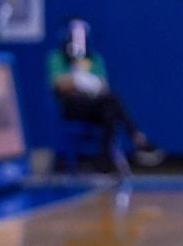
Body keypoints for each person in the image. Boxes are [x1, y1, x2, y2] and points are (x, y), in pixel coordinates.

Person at [48, 18, 164, 170]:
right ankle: (137, 138)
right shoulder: (56, 57)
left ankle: (104, 161)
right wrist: (81, 80)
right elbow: (60, 85)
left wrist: (80, 81)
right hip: (72, 106)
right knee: (112, 101)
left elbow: (103, 86)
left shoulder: (94, 58)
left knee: (110, 111)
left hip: (94, 106)